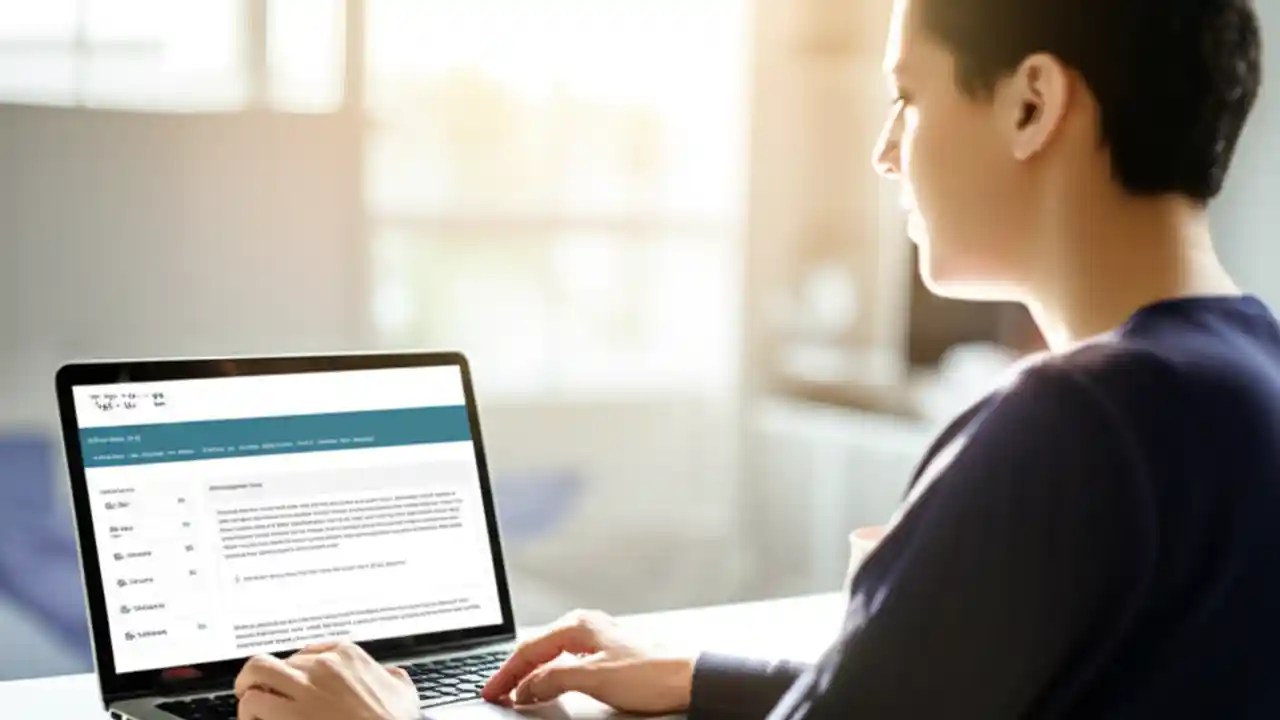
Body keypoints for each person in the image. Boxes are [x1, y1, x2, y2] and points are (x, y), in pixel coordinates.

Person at [234, 0, 1278, 716]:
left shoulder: (1072, 422)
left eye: (906, 97)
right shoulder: (1246, 371)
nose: (883, 150)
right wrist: (694, 674)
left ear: (1029, 104)